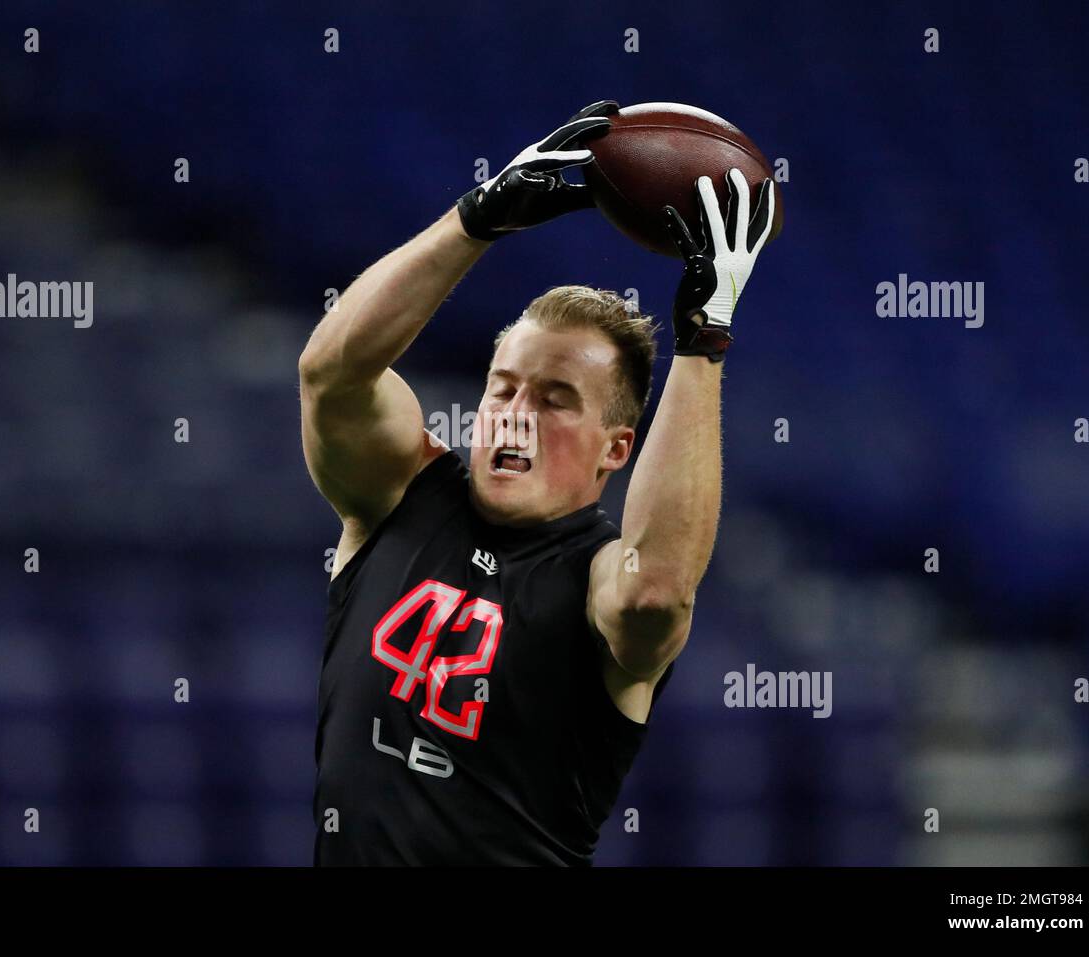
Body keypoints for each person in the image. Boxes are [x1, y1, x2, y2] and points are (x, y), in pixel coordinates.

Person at [299, 100, 775, 865]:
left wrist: (704, 339)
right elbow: (332, 373)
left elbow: (656, 588)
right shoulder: (401, 495)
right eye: (503, 388)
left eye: (555, 400)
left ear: (615, 449)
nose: (517, 414)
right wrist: (476, 220)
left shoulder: (596, 579)